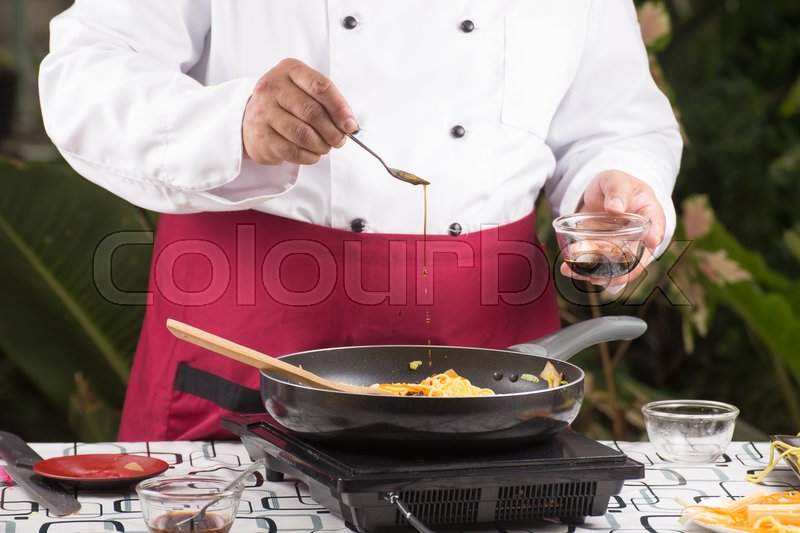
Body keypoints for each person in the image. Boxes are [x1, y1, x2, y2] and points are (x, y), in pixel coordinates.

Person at [39, 1, 682, 441]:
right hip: (252, 340)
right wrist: (231, 122)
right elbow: (85, 71)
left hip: (492, 358)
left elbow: (613, 116)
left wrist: (618, 181)